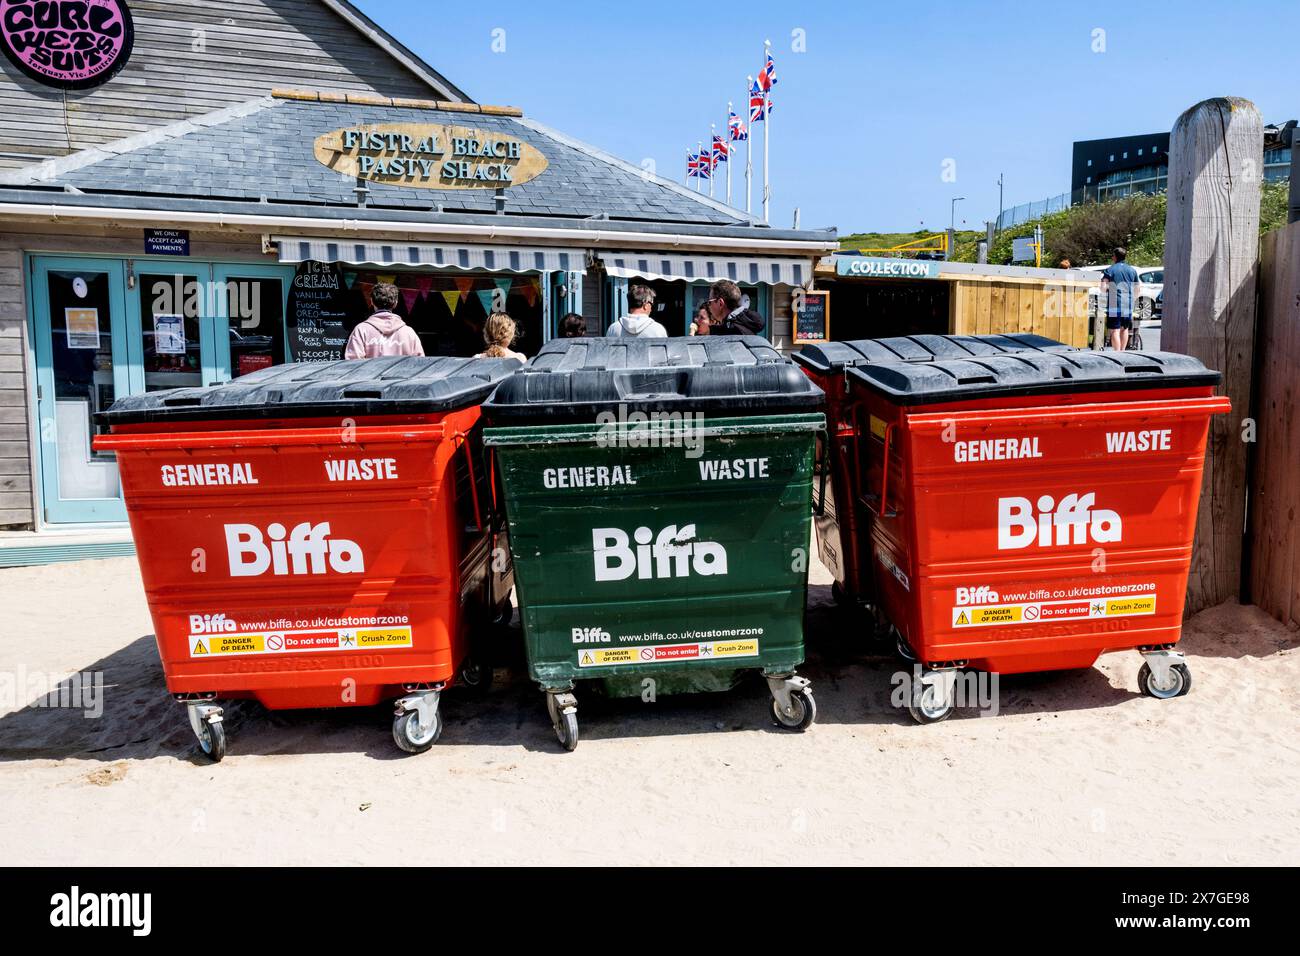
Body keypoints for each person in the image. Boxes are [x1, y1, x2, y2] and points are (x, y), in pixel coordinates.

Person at [344, 282, 425, 359]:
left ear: (372, 301)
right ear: (396, 303)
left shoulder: (361, 330)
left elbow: (352, 363)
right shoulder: (409, 333)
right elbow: (419, 363)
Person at [1101, 246, 1139, 351]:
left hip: (1114, 302)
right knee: (1125, 329)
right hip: (1127, 303)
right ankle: (1123, 352)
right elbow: (1137, 289)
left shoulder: (1109, 270)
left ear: (1115, 257)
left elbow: (1103, 288)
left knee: (1115, 330)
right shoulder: (1132, 270)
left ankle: (1117, 354)